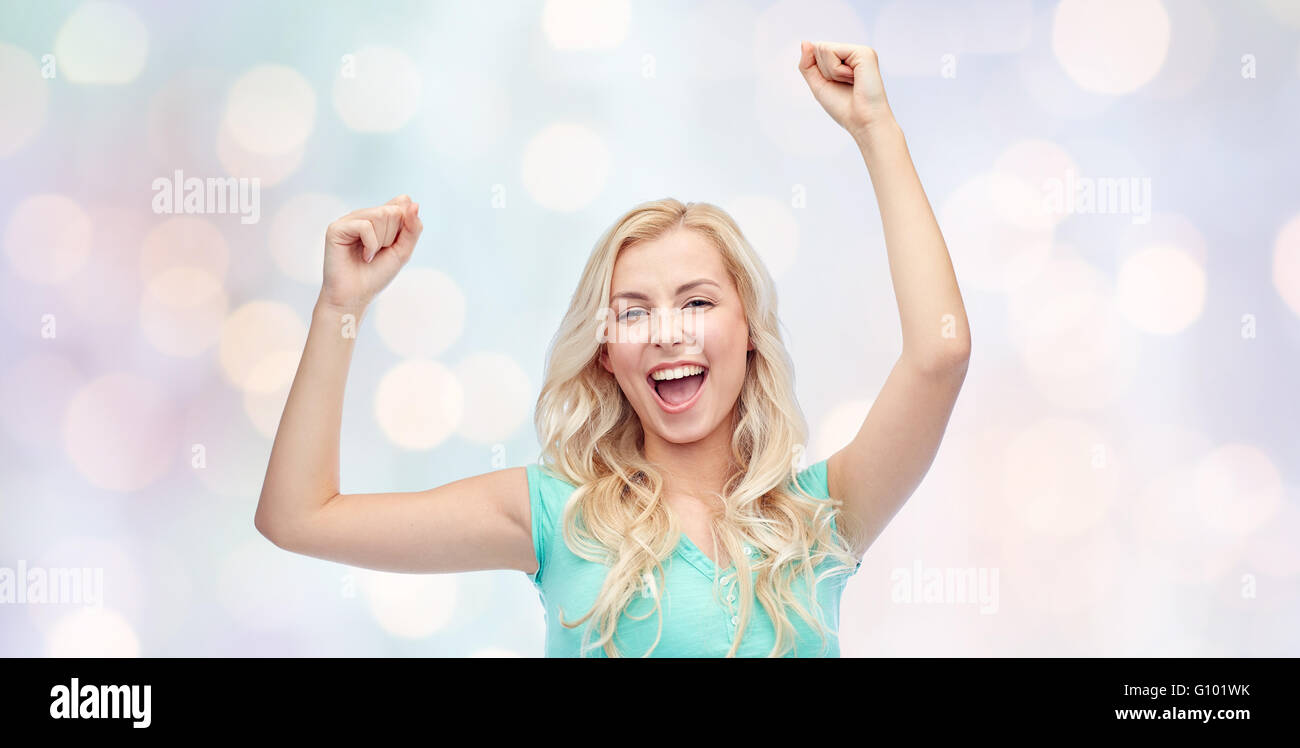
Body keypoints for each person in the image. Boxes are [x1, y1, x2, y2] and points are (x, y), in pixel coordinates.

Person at [255, 40, 970, 657]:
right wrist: (339, 308)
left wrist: (876, 127)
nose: (666, 332)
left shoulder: (823, 516)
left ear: (747, 331)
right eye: (633, 313)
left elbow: (940, 355)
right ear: (605, 353)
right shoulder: (554, 515)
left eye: (697, 302)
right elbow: (297, 518)